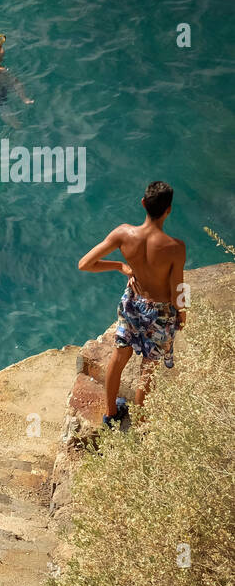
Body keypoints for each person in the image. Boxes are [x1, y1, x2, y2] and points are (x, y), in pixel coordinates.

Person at [77, 181, 187, 430]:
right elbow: (178, 288)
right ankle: (140, 423)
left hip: (133, 305)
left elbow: (85, 264)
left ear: (143, 204)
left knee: (119, 357)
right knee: (147, 369)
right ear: (168, 210)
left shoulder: (123, 234)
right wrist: (182, 313)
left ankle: (111, 413)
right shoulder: (175, 247)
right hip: (160, 313)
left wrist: (119, 266)